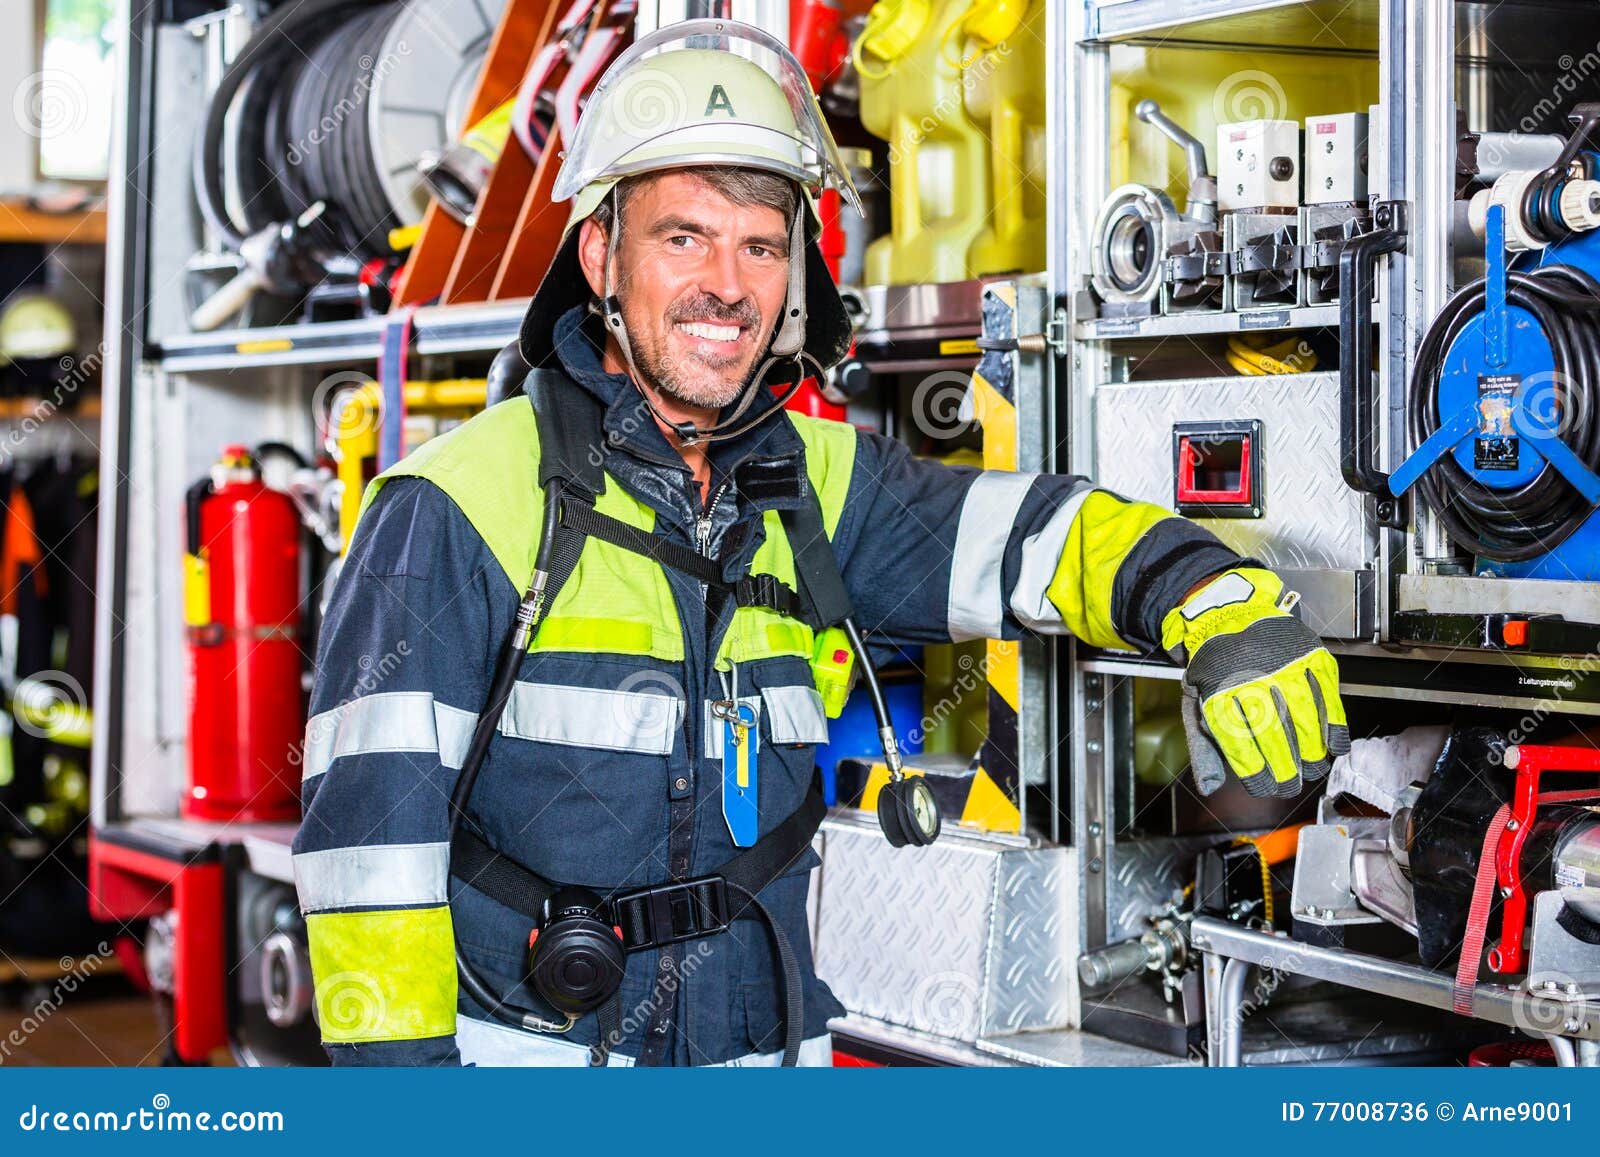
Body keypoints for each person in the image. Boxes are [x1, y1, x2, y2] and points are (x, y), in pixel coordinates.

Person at [291, 23, 1348, 1068]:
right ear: (600, 255)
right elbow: (365, 865)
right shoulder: (452, 503)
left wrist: (1212, 598)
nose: (729, 285)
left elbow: (1041, 532)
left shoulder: (821, 483)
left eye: (761, 244)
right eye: (682, 238)